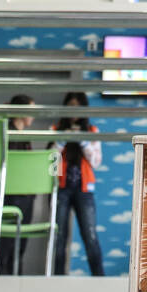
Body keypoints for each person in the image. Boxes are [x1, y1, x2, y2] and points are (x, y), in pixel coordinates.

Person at [52, 92, 105, 277]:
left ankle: (100, 279)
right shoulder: (56, 129)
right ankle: (56, 279)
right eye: (70, 106)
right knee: (59, 238)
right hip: (61, 189)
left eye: (77, 106)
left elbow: (96, 161)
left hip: (84, 190)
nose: (74, 111)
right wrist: (61, 141)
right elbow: (51, 167)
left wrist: (82, 140)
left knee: (90, 235)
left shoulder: (92, 131)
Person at [0, 94, 36, 276]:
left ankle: (12, 280)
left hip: (26, 194)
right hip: (13, 194)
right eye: (31, 110)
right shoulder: (8, 132)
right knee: (7, 243)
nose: (33, 116)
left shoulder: (24, 136)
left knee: (19, 245)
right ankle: (1, 280)